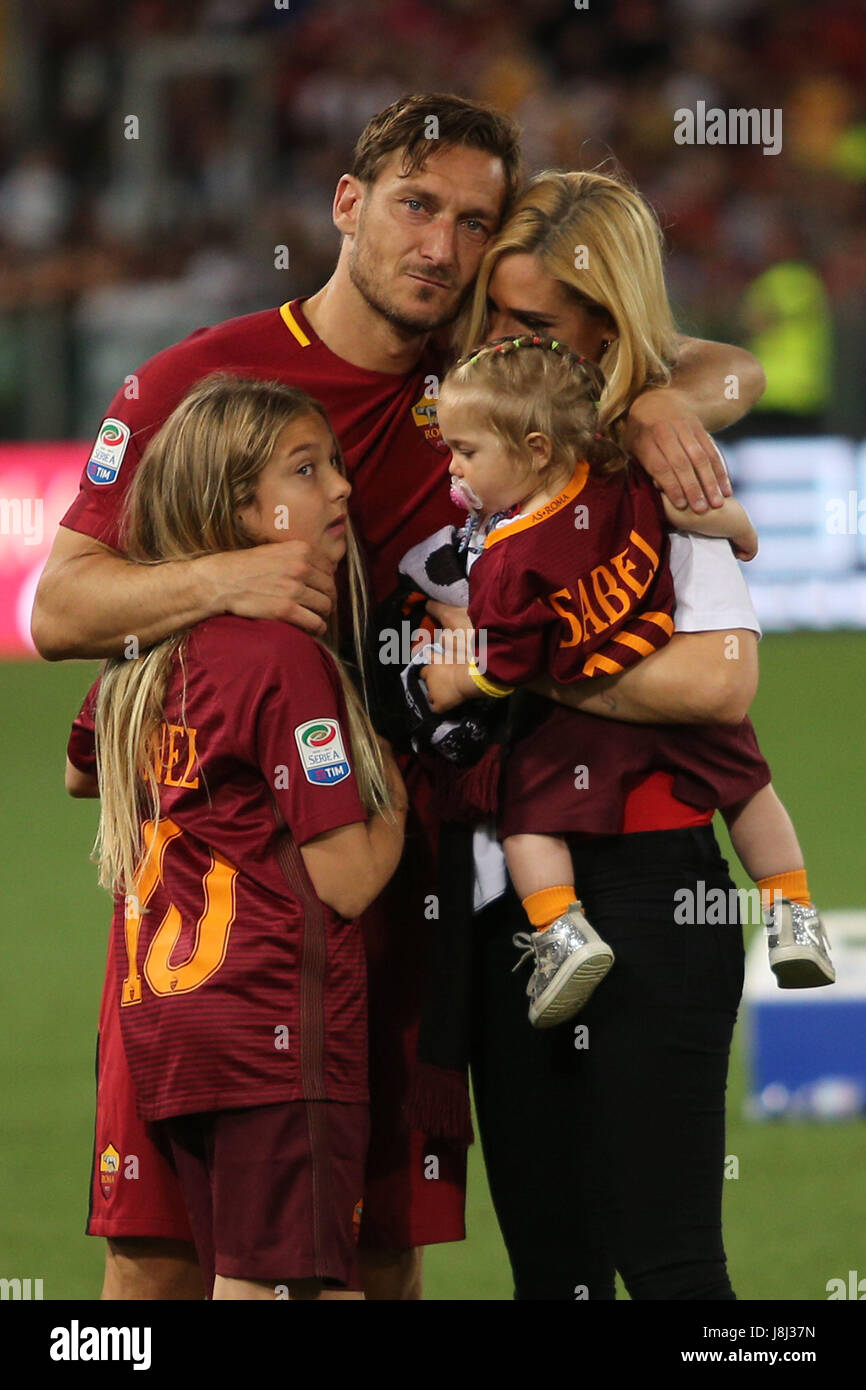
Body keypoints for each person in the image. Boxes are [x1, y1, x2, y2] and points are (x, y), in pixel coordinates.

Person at [35, 95, 765, 1300]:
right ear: (347, 203)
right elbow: (58, 611)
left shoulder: (486, 391)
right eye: (416, 206)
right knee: (163, 1260)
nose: (440, 248)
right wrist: (235, 577)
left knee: (379, 1253)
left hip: (404, 889)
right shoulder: (202, 380)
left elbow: (708, 361)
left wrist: (645, 398)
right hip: (217, 905)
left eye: (474, 222)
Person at [420, 169, 830, 1298]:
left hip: (647, 888)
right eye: (494, 317)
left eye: (535, 325)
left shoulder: (652, 467)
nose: (506, 344)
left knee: (671, 1271)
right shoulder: (470, 419)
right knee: (553, 1276)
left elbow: (718, 684)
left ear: (606, 329)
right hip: (503, 900)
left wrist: (519, 666)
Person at [69, 374, 408, 1299]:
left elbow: (78, 766)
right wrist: (398, 792)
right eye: (307, 470)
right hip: (275, 1031)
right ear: (244, 512)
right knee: (287, 1284)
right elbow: (345, 879)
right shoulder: (284, 659)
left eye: (334, 463)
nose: (340, 487)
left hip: (166, 1034)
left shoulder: (150, 654)